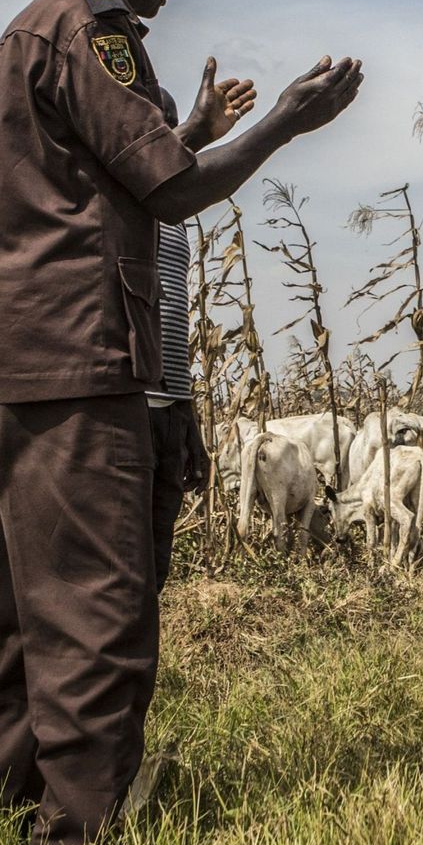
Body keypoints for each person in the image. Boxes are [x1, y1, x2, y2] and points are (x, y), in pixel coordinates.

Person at [0, 0, 362, 845]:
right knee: (98, 609)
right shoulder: (93, 35)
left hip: (23, 361)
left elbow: (114, 185)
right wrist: (288, 124)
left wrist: (190, 134)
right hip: (82, 360)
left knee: (21, 612)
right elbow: (171, 192)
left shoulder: (34, 30)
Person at [149, 66, 257, 594]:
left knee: (152, 568)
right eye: (161, 131)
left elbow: (173, 322)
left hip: (165, 408)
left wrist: (184, 408)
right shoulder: (118, 211)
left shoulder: (176, 222)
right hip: (120, 407)